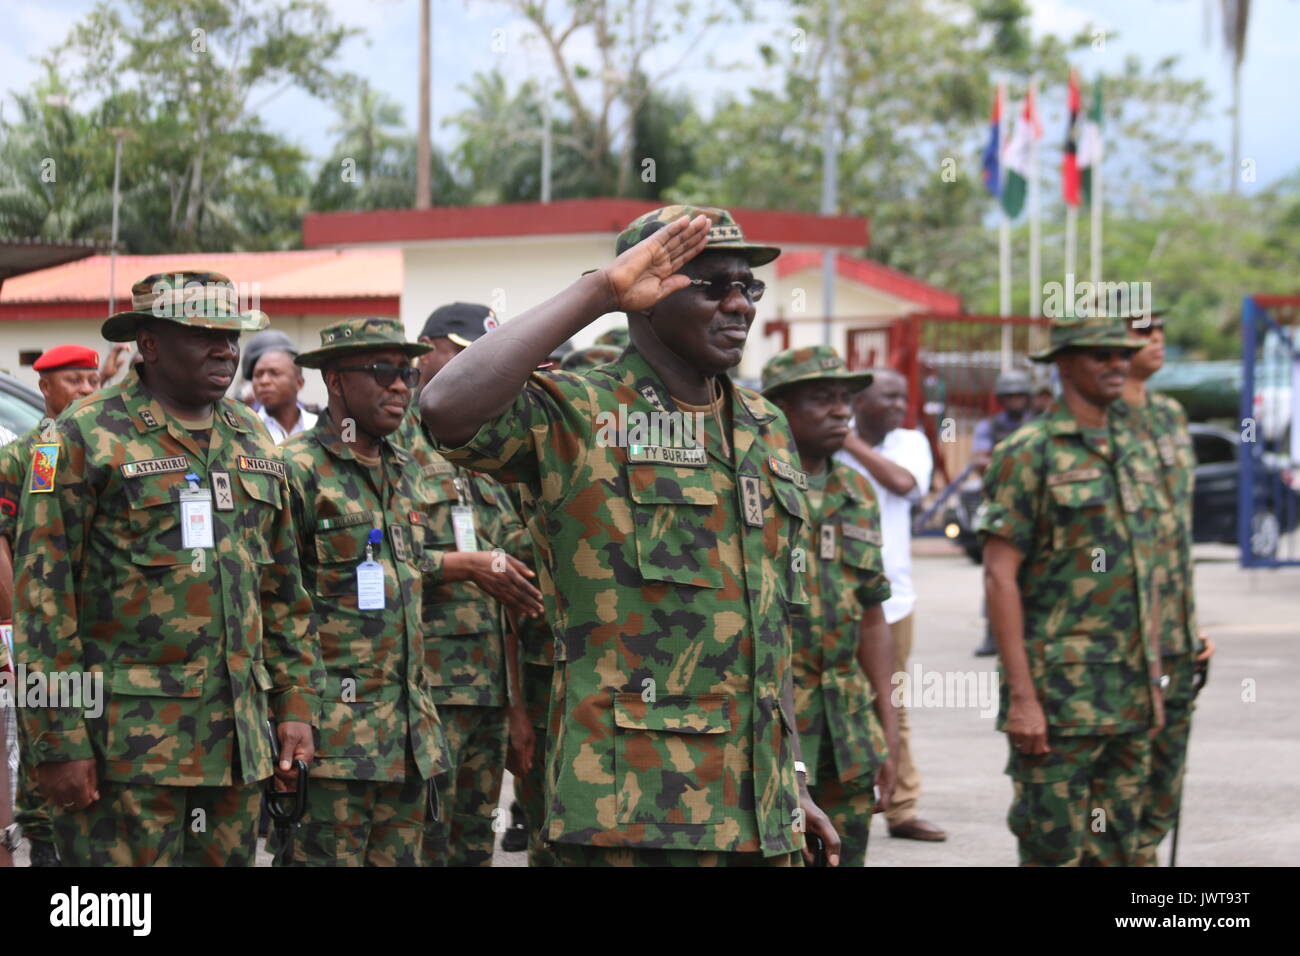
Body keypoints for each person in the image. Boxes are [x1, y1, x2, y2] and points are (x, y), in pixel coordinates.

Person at [421, 204, 840, 867]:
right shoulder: (581, 412)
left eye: (749, 286)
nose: (740, 305)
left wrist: (791, 779)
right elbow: (445, 409)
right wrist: (598, 293)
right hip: (626, 811)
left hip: (757, 815)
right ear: (645, 295)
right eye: (712, 286)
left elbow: (771, 624)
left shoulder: (765, 424)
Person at [11, 270, 323, 866]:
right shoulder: (79, 435)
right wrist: (57, 741)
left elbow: (282, 588)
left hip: (233, 748)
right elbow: (43, 602)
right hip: (122, 753)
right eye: (204, 333)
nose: (226, 349)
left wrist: (296, 705)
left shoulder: (251, 436)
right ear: (149, 344)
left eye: (231, 335)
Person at [977, 315, 1165, 866]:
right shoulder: (1029, 451)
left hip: (1129, 696)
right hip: (1059, 704)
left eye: (1121, 354)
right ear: (1062, 364)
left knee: (1118, 852)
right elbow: (998, 575)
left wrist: (1155, 682)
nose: (1115, 364)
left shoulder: (1134, 449)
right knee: (1053, 852)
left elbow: (1145, 572)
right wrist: (1024, 699)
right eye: (1098, 354)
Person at [275, 318, 447, 866]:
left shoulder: (406, 469)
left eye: (407, 373)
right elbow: (275, 604)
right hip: (331, 743)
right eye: (382, 371)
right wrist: (291, 714)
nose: (400, 386)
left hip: (406, 742)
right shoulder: (294, 470)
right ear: (335, 379)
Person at [399, 301, 545, 867]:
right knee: (419, 847)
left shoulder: (491, 450)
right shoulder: (394, 444)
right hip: (422, 694)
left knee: (470, 851)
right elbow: (365, 560)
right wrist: (463, 565)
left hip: (485, 692)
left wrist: (514, 705)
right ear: (425, 351)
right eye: (461, 354)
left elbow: (508, 593)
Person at [762, 346, 898, 867]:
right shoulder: (751, 483)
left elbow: (872, 615)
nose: (841, 410)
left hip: (847, 731)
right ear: (777, 408)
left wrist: (888, 729)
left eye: (845, 398)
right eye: (821, 398)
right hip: (775, 728)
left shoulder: (856, 490)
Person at [1115, 311, 1214, 864]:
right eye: (1139, 331)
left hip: (1175, 629)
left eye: (1160, 331)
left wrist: (1191, 622)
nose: (1155, 340)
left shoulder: (1171, 415)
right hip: (1120, 637)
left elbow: (1175, 533)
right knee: (1117, 786)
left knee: (1164, 781)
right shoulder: (1099, 421)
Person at [0, 344, 102, 866]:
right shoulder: (35, 454)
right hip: (44, 631)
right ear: (44, 389)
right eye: (74, 382)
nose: (86, 391)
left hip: (96, 634)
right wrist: (16, 623)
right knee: (46, 745)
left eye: (92, 382)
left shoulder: (105, 445)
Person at [837, 369, 946, 842]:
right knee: (832, 700)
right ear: (860, 402)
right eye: (889, 397)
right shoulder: (823, 441)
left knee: (891, 702)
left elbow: (904, 484)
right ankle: (834, 805)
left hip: (892, 600)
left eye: (904, 396)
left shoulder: (909, 442)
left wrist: (848, 443)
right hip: (832, 596)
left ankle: (901, 808)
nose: (900, 405)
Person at [971, 370, 1037, 657]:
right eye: (1009, 396)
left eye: (1019, 395)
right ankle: (992, 633)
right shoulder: (989, 426)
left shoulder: (1038, 423)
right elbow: (981, 460)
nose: (1015, 401)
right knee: (997, 571)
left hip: (1035, 505)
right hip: (1002, 505)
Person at [252, 345, 317, 443]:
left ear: (299, 383)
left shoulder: (317, 427)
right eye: (258, 374)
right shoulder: (246, 428)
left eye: (274, 373)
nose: (264, 381)